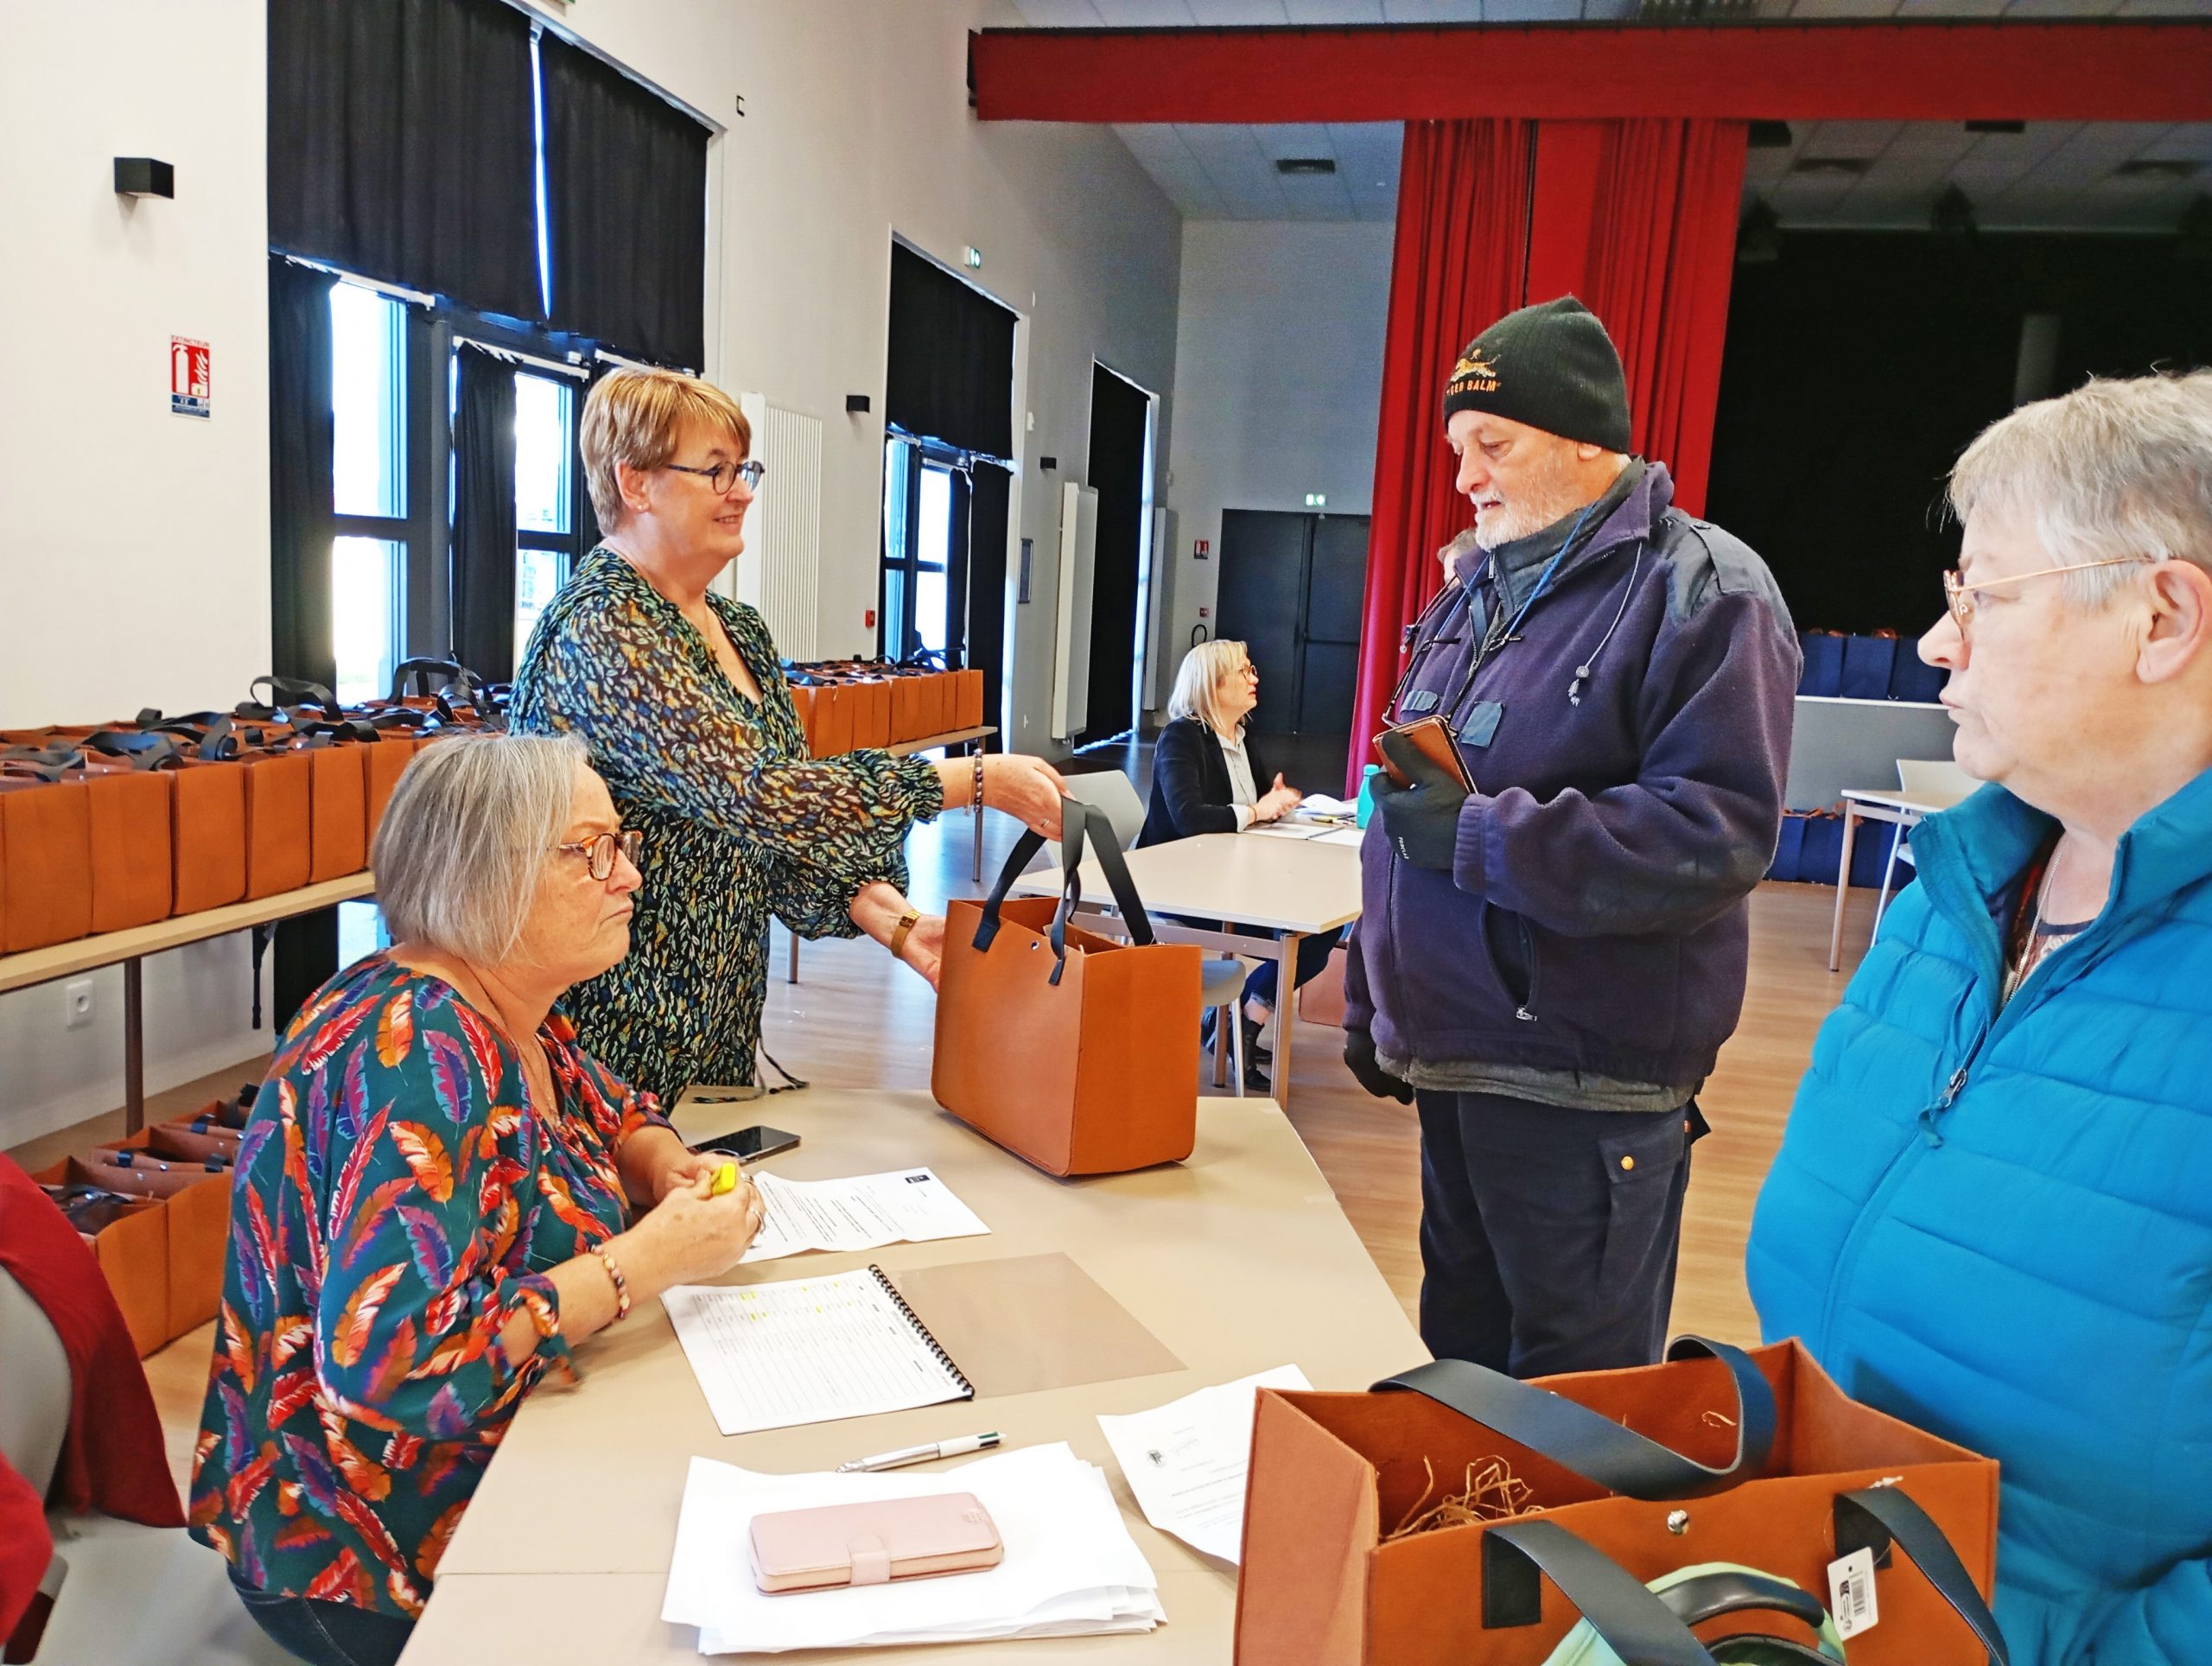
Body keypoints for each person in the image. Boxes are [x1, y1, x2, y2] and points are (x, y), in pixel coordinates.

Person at [1747, 371, 2212, 1664]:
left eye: (1983, 598)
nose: (1940, 642)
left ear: (2164, 616)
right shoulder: (1956, 894)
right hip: (1816, 1609)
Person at [190, 734, 766, 1666]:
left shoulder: (497, 1006)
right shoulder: (415, 1049)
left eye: (621, 842)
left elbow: (602, 1103)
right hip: (358, 1551)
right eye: (591, 850)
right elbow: (394, 1365)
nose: (627, 874)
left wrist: (659, 1162)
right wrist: (648, 1259)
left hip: (469, 1475)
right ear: (480, 875)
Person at [1342, 296, 1798, 1378]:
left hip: (1580, 1080)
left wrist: (1479, 837)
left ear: (1587, 440)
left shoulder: (1704, 589)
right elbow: (1399, 811)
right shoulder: (1471, 592)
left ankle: (1555, 1558)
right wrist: (1375, 995)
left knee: (1576, 1391)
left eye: (1491, 444)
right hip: (1453, 1058)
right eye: (1458, 449)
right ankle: (1469, 1547)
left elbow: (1714, 834)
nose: (1466, 476)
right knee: (1461, 1361)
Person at [511, 367, 1065, 1099]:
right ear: (635, 483)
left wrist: (897, 924)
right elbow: (760, 795)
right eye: (714, 472)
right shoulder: (605, 627)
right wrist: (973, 780)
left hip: (715, 1032)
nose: (740, 491)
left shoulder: (737, 629)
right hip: (608, 1038)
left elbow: (779, 835)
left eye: (743, 470)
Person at [1138, 639, 1343, 1082]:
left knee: (1321, 928)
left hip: (1231, 875)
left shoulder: (1239, 736)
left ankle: (1237, 1019)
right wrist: (1256, 811)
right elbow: (1189, 816)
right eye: (1244, 671)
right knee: (1301, 934)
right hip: (1179, 881)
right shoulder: (1182, 736)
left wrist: (1276, 802)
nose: (1255, 678)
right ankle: (1240, 1024)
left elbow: (1258, 802)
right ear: (1213, 684)